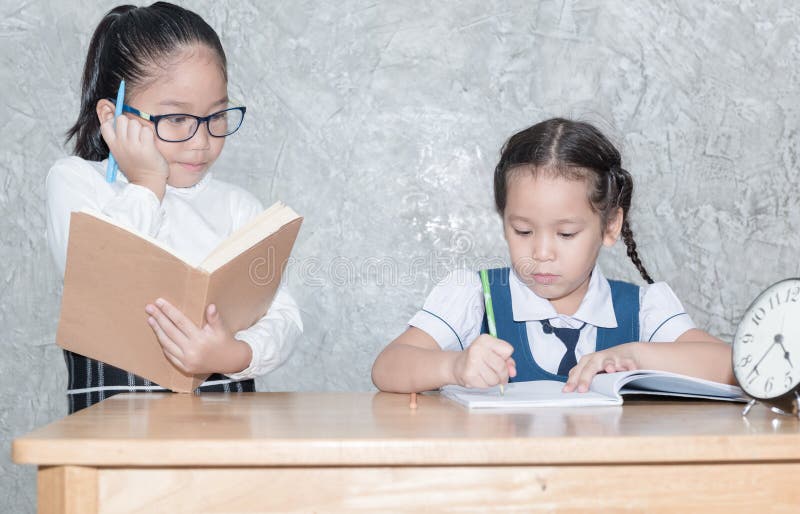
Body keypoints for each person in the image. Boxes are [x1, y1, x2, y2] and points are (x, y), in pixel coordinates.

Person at [46, 2, 302, 413]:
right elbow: (99, 275)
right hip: (113, 425)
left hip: (223, 423)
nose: (201, 141)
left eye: (216, 116)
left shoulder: (238, 207)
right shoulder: (77, 182)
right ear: (113, 116)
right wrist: (148, 183)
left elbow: (283, 314)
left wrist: (235, 354)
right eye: (177, 119)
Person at [372, 118, 734, 393]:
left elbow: (732, 367)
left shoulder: (641, 310)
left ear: (610, 226)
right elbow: (388, 366)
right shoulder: (476, 296)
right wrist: (454, 366)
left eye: (566, 234)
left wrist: (637, 356)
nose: (542, 253)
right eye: (523, 231)